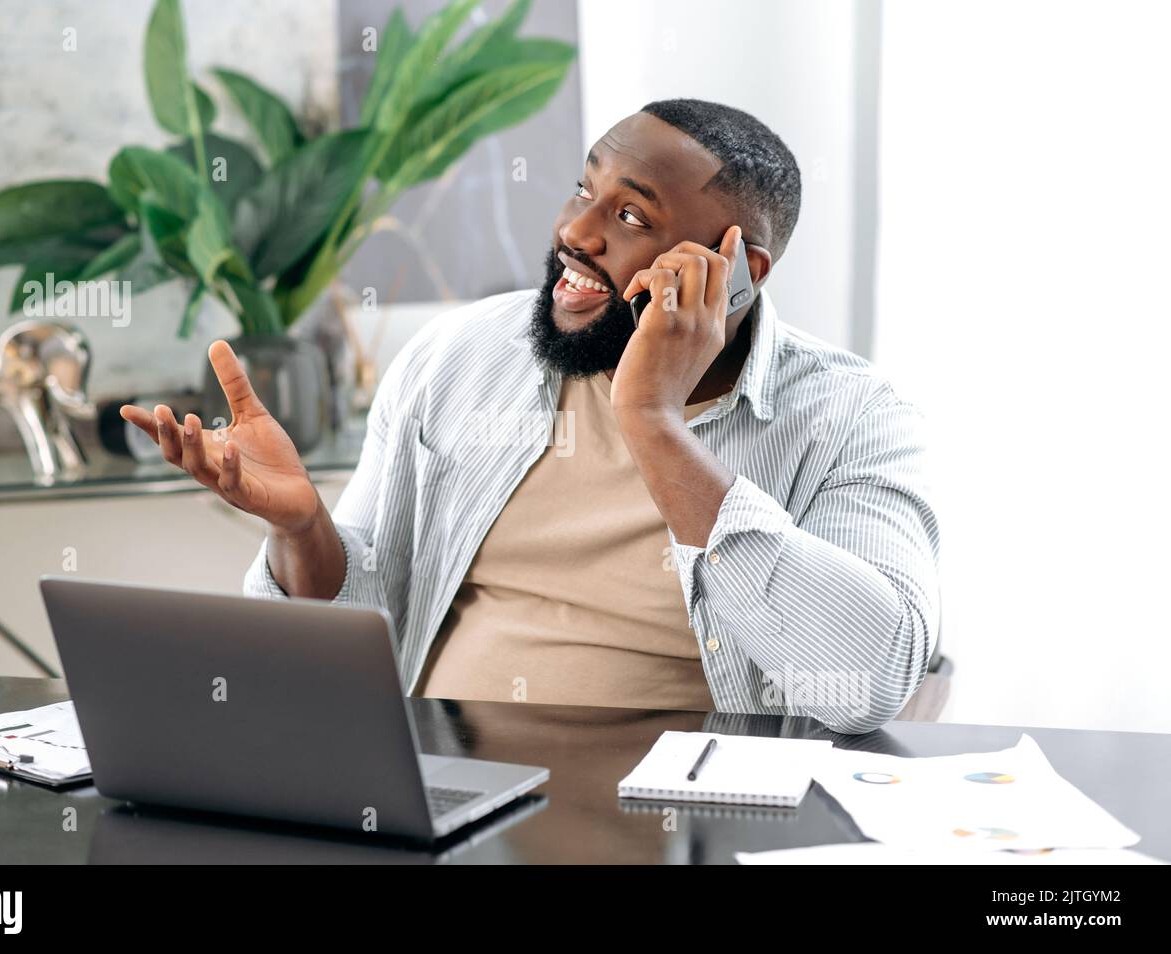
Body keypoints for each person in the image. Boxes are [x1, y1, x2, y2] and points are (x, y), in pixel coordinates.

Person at [122, 98, 940, 734]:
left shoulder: (849, 417)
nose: (573, 232)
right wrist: (305, 535)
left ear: (738, 270)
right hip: (442, 791)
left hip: (683, 820)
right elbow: (358, 626)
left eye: (631, 217)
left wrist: (654, 424)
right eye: (585, 189)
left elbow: (873, 678)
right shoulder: (463, 355)